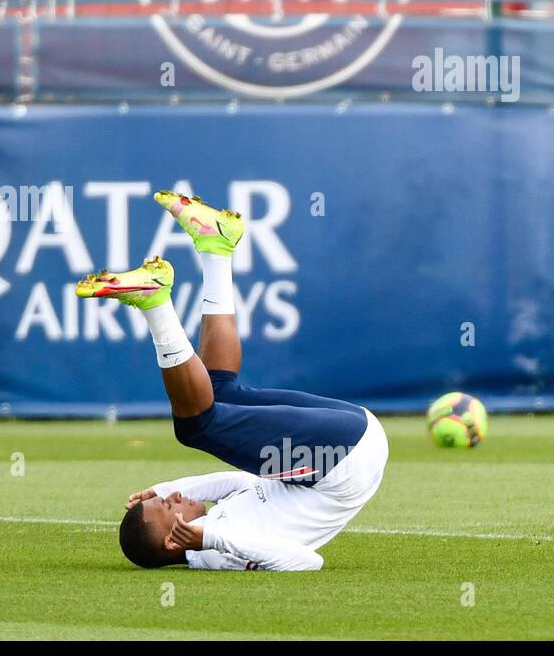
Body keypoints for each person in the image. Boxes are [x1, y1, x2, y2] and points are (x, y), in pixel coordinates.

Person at [76, 190, 388, 571]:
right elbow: (308, 561)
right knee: (195, 427)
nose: (175, 495)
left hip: (345, 445)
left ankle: (217, 246)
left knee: (217, 390)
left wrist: (165, 490)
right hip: (341, 462)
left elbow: (237, 482)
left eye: (166, 498)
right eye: (168, 506)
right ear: (173, 540)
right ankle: (154, 302)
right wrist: (210, 537)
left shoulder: (215, 525)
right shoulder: (215, 551)